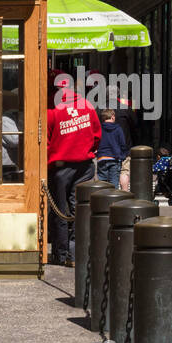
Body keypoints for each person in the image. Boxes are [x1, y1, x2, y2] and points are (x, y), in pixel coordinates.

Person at [46, 69, 101, 266]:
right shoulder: (86, 105)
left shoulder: (50, 109)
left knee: (60, 210)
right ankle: (77, 252)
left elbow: (44, 140)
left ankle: (61, 254)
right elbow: (96, 135)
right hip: (85, 165)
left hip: (60, 167)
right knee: (81, 208)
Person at [95, 107, 128, 184]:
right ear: (113, 116)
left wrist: (97, 153)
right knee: (114, 183)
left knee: (102, 183)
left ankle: (102, 195)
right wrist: (123, 155)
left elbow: (96, 141)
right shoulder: (118, 128)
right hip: (114, 158)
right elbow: (122, 143)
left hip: (102, 158)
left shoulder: (100, 128)